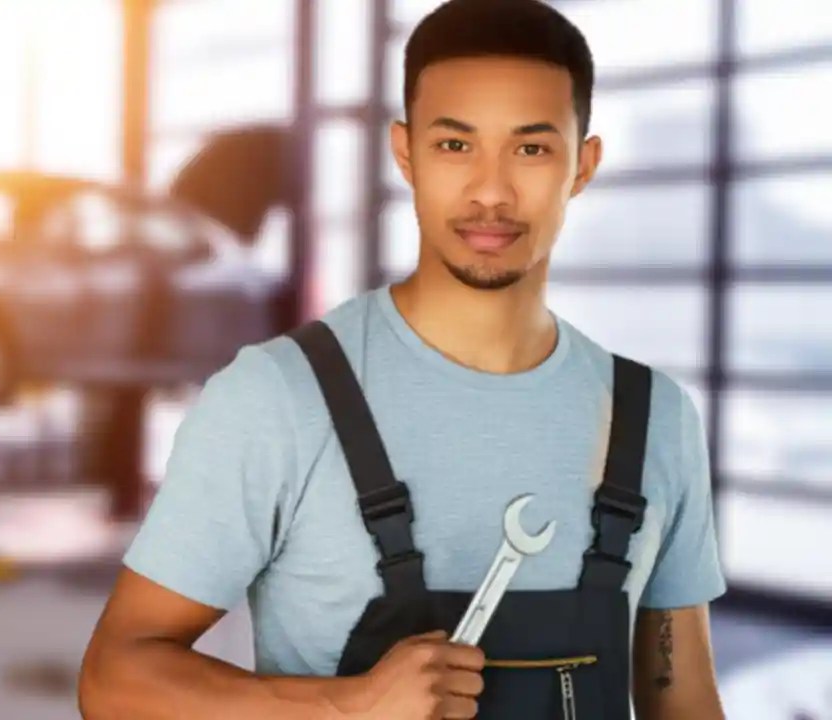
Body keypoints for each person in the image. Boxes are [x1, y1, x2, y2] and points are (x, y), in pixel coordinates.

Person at [78, 0, 728, 717]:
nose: (491, 190)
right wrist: (345, 708)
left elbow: (683, 698)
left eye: (531, 148)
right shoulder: (278, 400)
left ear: (584, 165)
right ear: (405, 153)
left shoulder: (655, 419)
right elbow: (117, 680)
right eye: (456, 145)